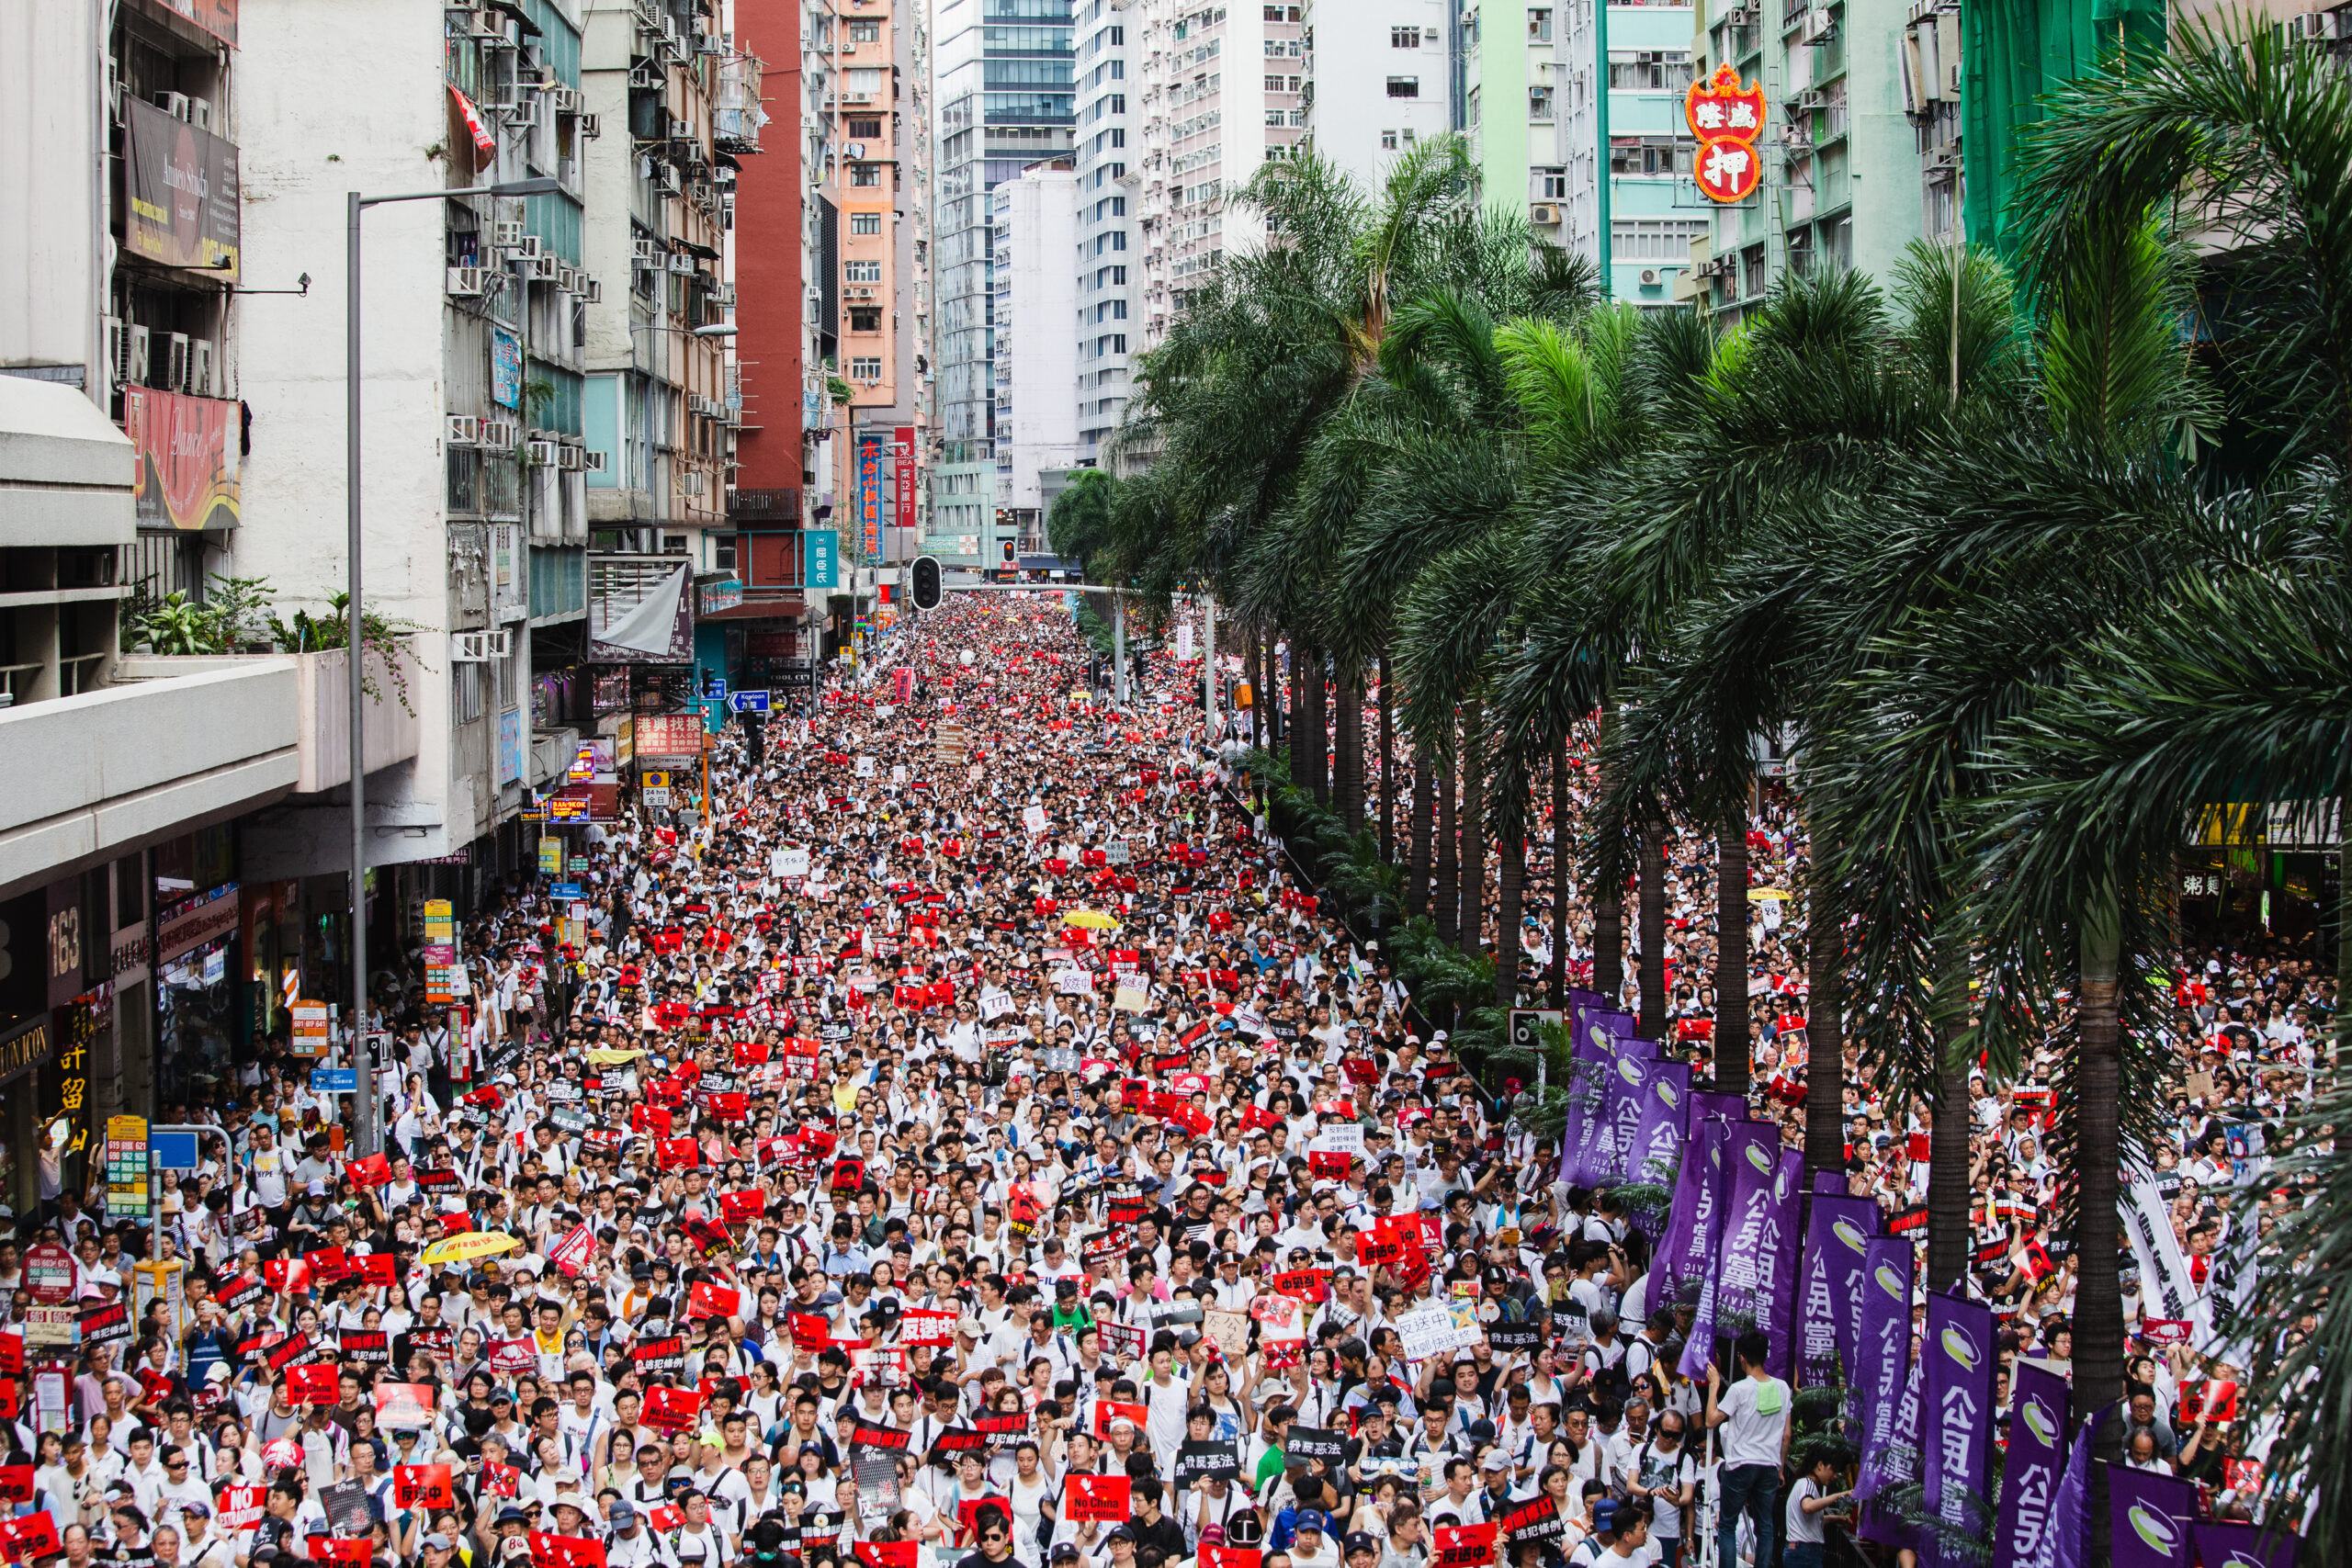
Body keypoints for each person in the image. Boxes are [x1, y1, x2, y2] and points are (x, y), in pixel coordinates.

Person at [1700, 1333, 1788, 1568]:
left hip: (1741, 1464)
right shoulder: (1783, 1388)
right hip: (1769, 1464)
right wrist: (1780, 1466)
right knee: (1765, 1525)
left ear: (1741, 1358)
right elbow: (1786, 1435)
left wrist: (1714, 1387)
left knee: (1728, 1524)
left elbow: (1710, 1421)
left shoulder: (1739, 1389)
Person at [1780, 1454, 1849, 1568]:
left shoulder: (1802, 1484)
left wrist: (1834, 1519)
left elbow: (1810, 1519)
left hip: (1800, 1550)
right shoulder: (1808, 1484)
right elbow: (1808, 1507)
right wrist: (1838, 1495)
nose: (1835, 1476)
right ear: (1820, 1465)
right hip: (1805, 1550)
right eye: (1833, 1470)